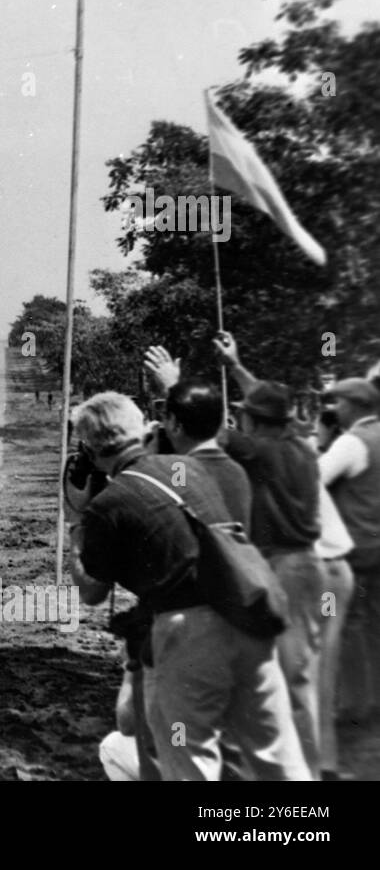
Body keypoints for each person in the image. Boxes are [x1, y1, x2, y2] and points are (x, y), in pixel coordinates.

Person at [70, 391, 308, 780]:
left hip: (188, 634)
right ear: (144, 430)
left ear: (91, 449)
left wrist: (75, 528)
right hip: (247, 612)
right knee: (276, 757)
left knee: (189, 761)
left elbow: (93, 592)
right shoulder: (189, 468)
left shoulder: (107, 506)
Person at [209, 332, 327, 778]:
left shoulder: (258, 450)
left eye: (243, 417)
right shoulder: (299, 442)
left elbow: (205, 428)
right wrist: (236, 365)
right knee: (285, 677)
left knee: (292, 682)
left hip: (285, 569)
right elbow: (269, 404)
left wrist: (172, 386)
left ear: (254, 424)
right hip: (299, 568)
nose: (239, 423)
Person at [318, 377, 380, 741]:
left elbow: (315, 478)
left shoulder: (353, 440)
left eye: (338, 403)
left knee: (350, 626)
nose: (334, 410)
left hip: (357, 550)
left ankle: (355, 703)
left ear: (354, 405)